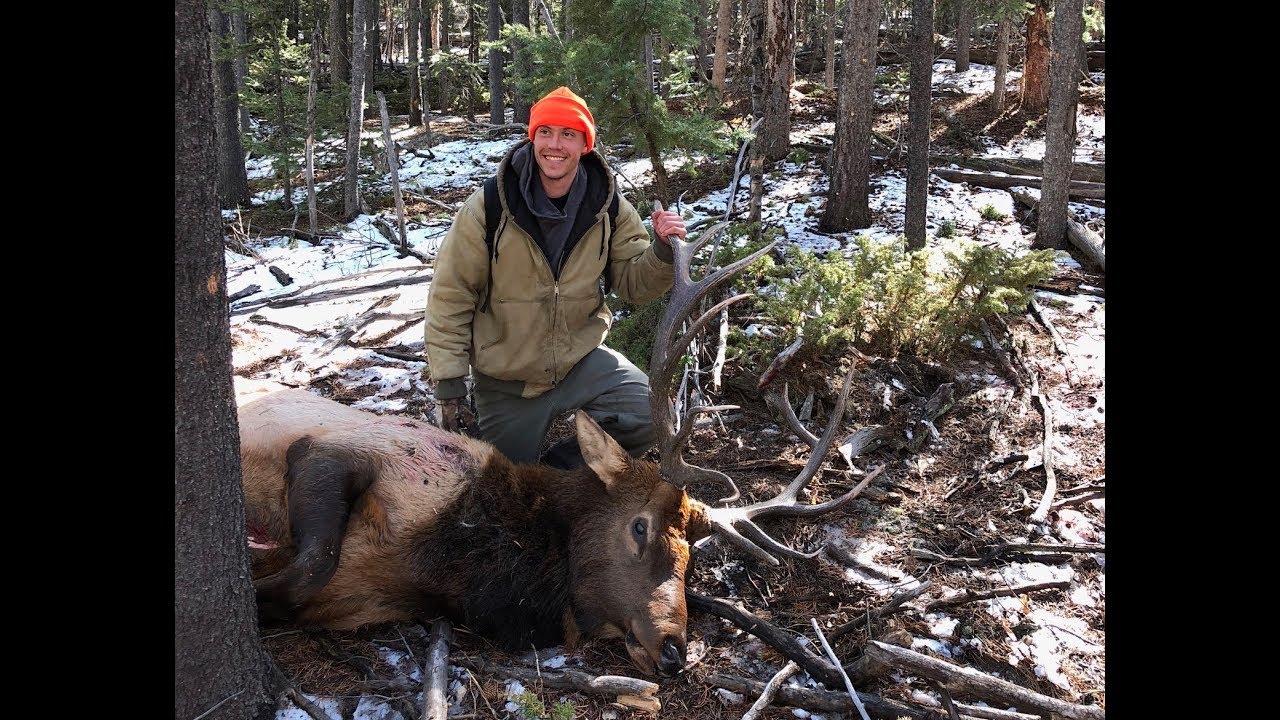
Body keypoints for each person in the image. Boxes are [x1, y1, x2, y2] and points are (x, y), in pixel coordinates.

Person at [423, 86, 688, 468]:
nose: (555, 145)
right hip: (507, 381)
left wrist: (661, 250)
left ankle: (559, 478)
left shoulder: (608, 206)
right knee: (498, 483)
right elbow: (451, 294)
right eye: (545, 132)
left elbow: (635, 284)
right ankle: (529, 478)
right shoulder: (490, 206)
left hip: (579, 362)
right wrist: (449, 389)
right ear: (532, 138)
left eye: (568, 134)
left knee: (653, 416)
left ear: (585, 145)